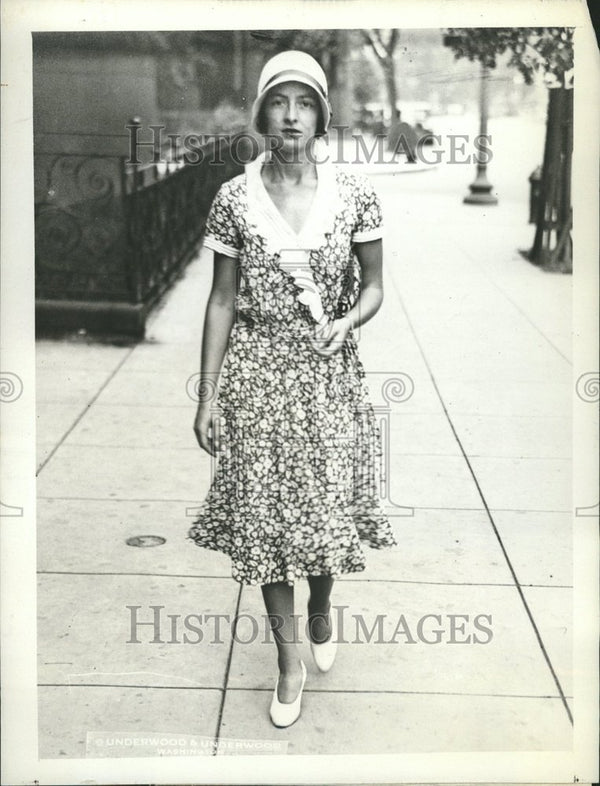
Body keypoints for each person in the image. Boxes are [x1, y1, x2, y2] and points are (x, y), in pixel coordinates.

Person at [189, 50, 397, 728]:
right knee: (269, 526)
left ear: (321, 117)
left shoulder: (355, 195)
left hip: (328, 377)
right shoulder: (234, 198)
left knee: (325, 512)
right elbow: (221, 300)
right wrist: (208, 396)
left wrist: (347, 320)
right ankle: (288, 661)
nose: (290, 115)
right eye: (279, 102)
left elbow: (375, 287)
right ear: (262, 113)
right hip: (256, 378)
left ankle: (321, 606)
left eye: (304, 103)